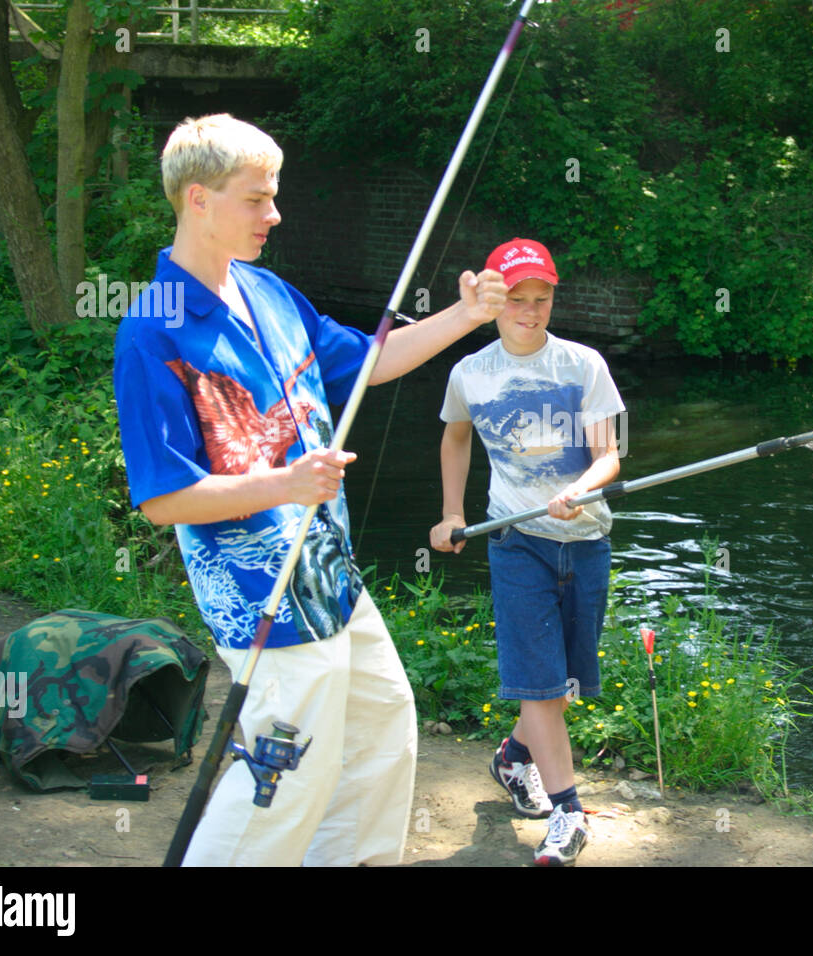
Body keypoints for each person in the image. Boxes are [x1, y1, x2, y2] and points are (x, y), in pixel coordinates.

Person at [113, 113, 507, 866]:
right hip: (261, 595)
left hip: (329, 573)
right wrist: (285, 483)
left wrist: (469, 314)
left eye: (274, 195)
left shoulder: (266, 292)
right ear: (198, 199)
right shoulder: (152, 331)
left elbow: (366, 362)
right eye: (257, 198)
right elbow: (163, 499)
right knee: (283, 769)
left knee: (381, 722)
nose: (275, 213)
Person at [430, 238, 624, 866]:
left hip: (586, 537)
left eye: (541, 299)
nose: (531, 311)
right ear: (494, 301)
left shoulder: (583, 364)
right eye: (517, 300)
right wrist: (453, 512)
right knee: (539, 685)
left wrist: (581, 487)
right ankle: (568, 811)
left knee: (562, 683)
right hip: (515, 539)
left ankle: (513, 758)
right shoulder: (469, 374)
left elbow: (609, 456)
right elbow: (455, 439)